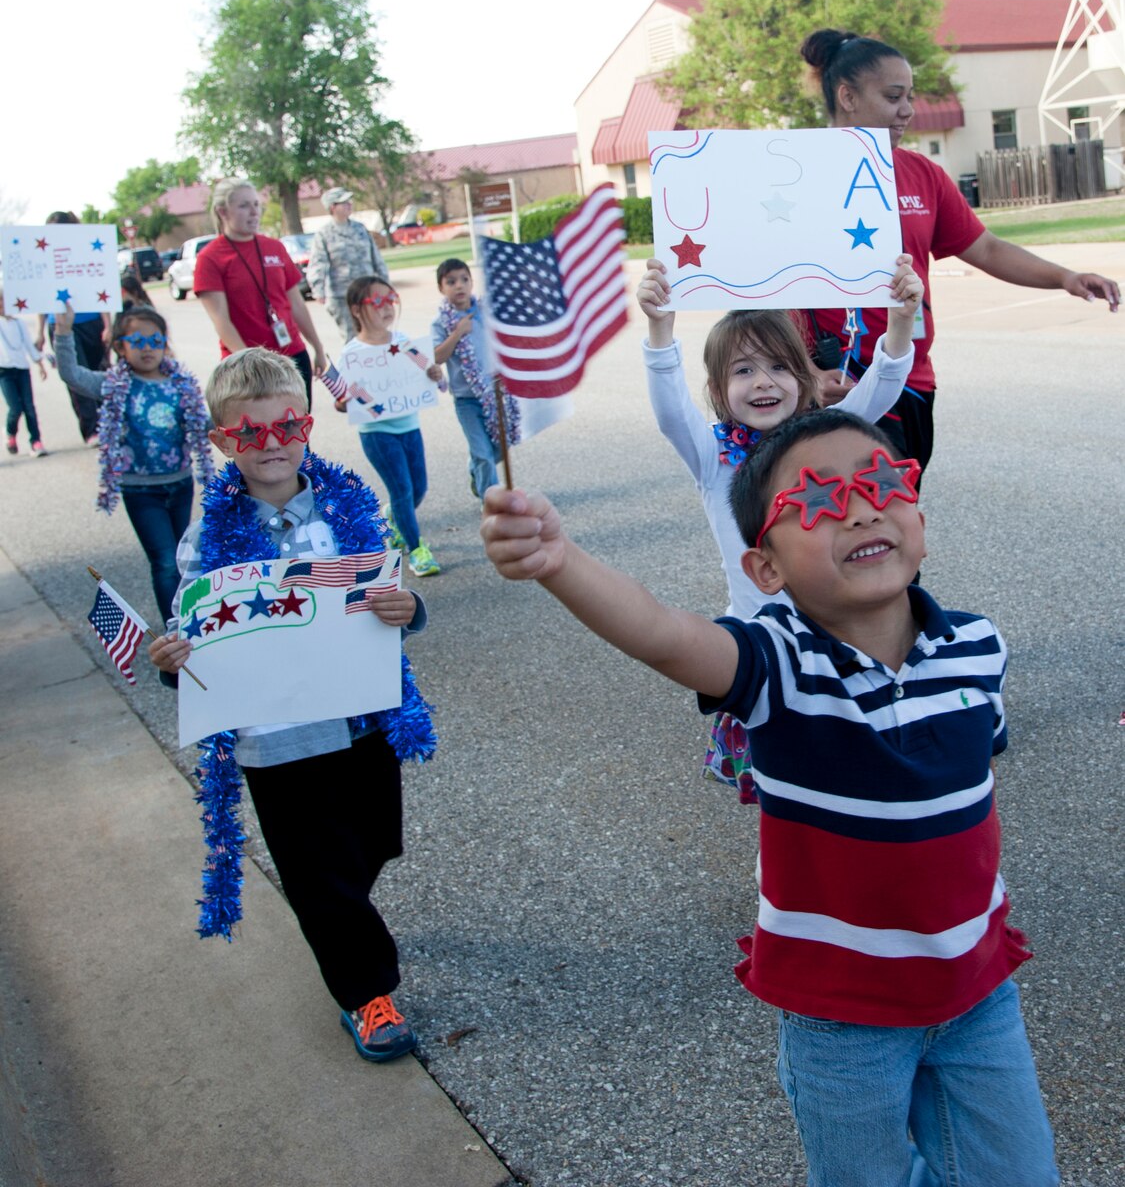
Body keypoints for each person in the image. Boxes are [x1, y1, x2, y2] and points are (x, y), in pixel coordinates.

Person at [480, 408, 1058, 1187]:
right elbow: (663, 633)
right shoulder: (776, 665)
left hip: (975, 993)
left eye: (881, 480)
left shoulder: (977, 647)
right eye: (817, 499)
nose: (859, 508)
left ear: (917, 509)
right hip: (840, 1019)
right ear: (766, 570)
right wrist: (558, 559)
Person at [149, 347, 436, 1063]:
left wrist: (409, 607)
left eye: (285, 428)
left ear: (307, 427)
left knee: (371, 843)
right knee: (319, 878)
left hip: (362, 719)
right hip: (275, 741)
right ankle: (365, 993)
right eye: (249, 434)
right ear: (222, 442)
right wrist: (171, 660)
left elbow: (390, 597)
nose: (270, 445)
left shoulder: (347, 507)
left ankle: (351, 912)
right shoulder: (204, 540)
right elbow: (192, 638)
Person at [638, 254, 921, 798]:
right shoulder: (712, 457)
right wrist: (660, 327)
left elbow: (878, 395)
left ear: (804, 376)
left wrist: (901, 321)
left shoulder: (822, 441)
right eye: (743, 371)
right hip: (763, 646)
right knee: (783, 780)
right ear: (720, 390)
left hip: (843, 639)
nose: (763, 383)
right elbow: (671, 411)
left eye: (779, 367)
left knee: (856, 766)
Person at [800, 28, 1120, 472]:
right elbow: (764, 291)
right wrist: (804, 374)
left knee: (896, 518)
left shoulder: (921, 174)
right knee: (852, 523)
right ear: (848, 96)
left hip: (910, 380)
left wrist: (1064, 278)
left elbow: (985, 247)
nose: (908, 110)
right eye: (894, 97)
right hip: (833, 388)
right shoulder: (794, 172)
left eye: (910, 96)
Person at [54, 303, 213, 624]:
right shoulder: (112, 384)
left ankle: (195, 621)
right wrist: (63, 331)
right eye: (137, 342)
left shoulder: (180, 384)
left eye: (155, 341)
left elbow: (203, 424)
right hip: (141, 492)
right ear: (119, 346)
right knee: (165, 560)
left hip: (180, 484)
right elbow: (70, 374)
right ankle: (176, 627)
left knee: (184, 559)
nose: (147, 349)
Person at [337, 275, 443, 577]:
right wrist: (345, 401)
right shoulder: (353, 355)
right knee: (402, 489)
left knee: (418, 488)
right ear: (358, 310)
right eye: (377, 301)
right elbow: (347, 397)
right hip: (377, 434)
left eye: (390, 299)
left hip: (409, 426)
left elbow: (427, 369)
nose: (387, 308)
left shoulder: (402, 342)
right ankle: (417, 550)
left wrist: (435, 373)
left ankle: (392, 516)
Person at [193, 177, 326, 409]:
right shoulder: (211, 258)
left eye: (256, 205)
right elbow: (221, 320)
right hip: (247, 367)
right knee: (261, 440)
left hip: (291, 356)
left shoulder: (274, 247)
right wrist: (252, 363)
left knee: (296, 435)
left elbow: (296, 304)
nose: (254, 212)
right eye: (244, 206)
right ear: (222, 211)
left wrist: (317, 347)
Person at [431, 258, 520, 502]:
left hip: (495, 394)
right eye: (451, 282)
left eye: (464, 279)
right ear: (441, 288)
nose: (459, 286)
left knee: (500, 448)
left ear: (471, 282)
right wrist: (457, 333)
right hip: (466, 400)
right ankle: (490, 501)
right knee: (483, 453)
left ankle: (476, 469)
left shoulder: (485, 312)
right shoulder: (441, 323)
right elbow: (436, 356)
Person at [35, 210, 109, 445]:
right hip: (61, 326)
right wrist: (39, 332)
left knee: (100, 373)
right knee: (75, 377)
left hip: (92, 322)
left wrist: (108, 325)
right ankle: (91, 430)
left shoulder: (86, 253)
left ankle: (109, 423)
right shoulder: (45, 261)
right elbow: (41, 299)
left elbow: (103, 288)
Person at [307, 187, 390, 339]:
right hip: (342, 296)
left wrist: (384, 283)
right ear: (333, 207)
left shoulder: (360, 228)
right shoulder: (324, 234)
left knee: (375, 333)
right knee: (352, 337)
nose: (349, 205)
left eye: (349, 202)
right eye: (343, 203)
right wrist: (318, 289)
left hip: (367, 292)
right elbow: (318, 263)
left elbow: (376, 257)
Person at [1, 285, 48, 456]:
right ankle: (11, 433)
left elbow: (29, 345)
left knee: (29, 407)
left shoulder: (19, 323)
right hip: (4, 371)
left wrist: (40, 364)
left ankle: (36, 441)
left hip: (22, 369)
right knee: (15, 408)